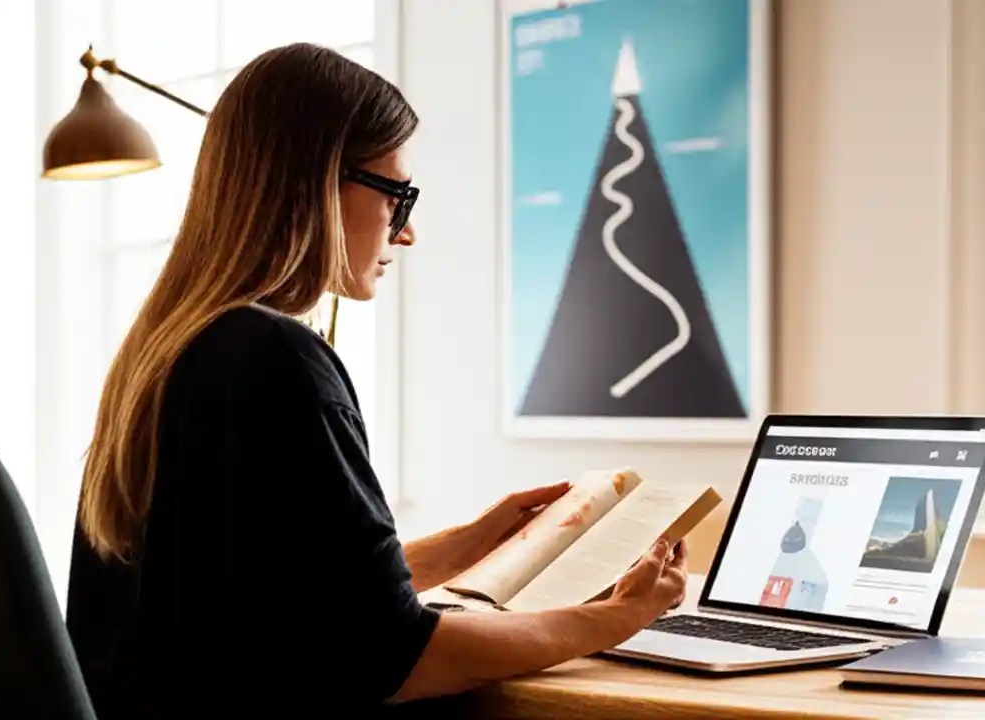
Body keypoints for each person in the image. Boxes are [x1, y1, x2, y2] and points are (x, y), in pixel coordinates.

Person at [64, 42, 687, 719]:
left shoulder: (169, 352)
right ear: (318, 180)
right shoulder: (275, 360)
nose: (408, 232)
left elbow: (297, 596)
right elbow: (397, 656)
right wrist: (619, 619)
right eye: (400, 195)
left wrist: (476, 540)